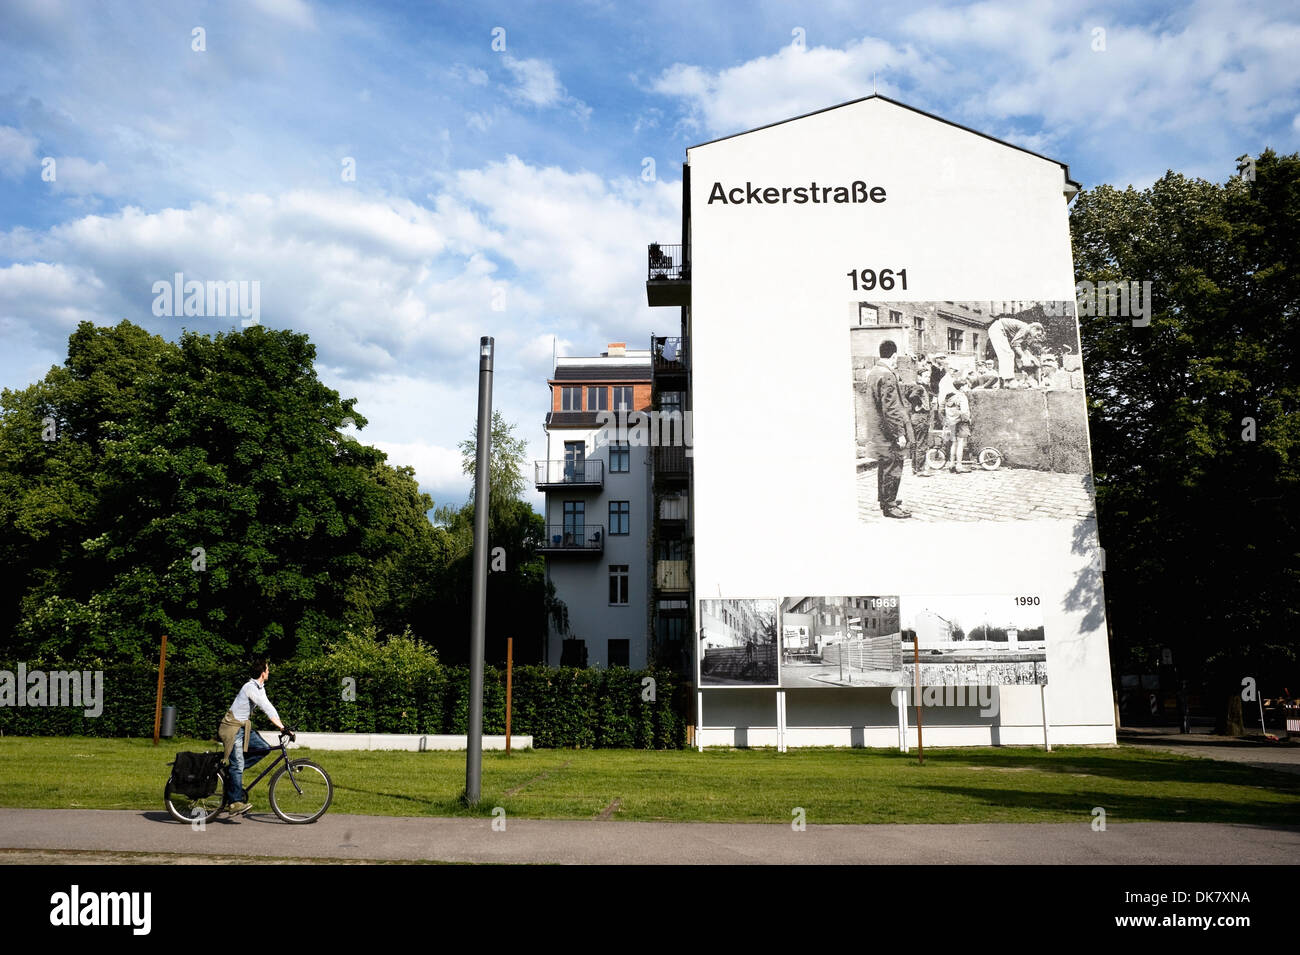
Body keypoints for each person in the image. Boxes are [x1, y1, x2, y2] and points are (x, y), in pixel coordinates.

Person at [218, 659, 287, 816]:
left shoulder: (259, 688)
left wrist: (283, 725)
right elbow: (263, 706)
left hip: (243, 728)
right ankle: (235, 803)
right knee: (238, 764)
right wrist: (281, 727)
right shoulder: (249, 687)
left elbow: (269, 706)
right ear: (262, 673)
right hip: (232, 728)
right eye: (267, 669)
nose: (269, 672)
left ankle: (232, 772)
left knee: (264, 748)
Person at [862, 340, 912, 518]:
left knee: (884, 466)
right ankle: (890, 506)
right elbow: (891, 409)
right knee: (893, 465)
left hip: (879, 429)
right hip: (888, 431)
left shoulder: (874, 372)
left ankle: (885, 499)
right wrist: (899, 434)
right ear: (894, 356)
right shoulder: (887, 375)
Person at [986, 318, 1044, 385]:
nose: (1036, 337)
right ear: (1033, 329)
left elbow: (1023, 349)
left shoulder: (1027, 334)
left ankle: (1003, 381)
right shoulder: (1026, 328)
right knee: (1008, 354)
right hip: (998, 329)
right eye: (1037, 334)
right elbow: (1015, 344)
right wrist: (1024, 357)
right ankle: (1009, 380)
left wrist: (1031, 357)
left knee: (1005, 355)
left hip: (998, 329)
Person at [903, 379, 933, 479]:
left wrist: (915, 405)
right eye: (925, 376)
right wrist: (919, 405)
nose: (928, 378)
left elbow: (907, 394)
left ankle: (915, 467)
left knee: (916, 443)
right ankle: (920, 469)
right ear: (919, 377)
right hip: (921, 417)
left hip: (915, 417)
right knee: (921, 443)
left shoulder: (915, 387)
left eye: (928, 376)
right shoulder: (920, 387)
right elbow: (912, 396)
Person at [943, 379, 973, 473]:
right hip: (961, 422)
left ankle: (951, 464)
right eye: (966, 386)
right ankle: (959, 465)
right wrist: (967, 419)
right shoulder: (962, 397)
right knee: (960, 443)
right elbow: (964, 412)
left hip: (952, 422)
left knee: (954, 443)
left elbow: (944, 408)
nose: (967, 387)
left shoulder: (950, 396)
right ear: (961, 387)